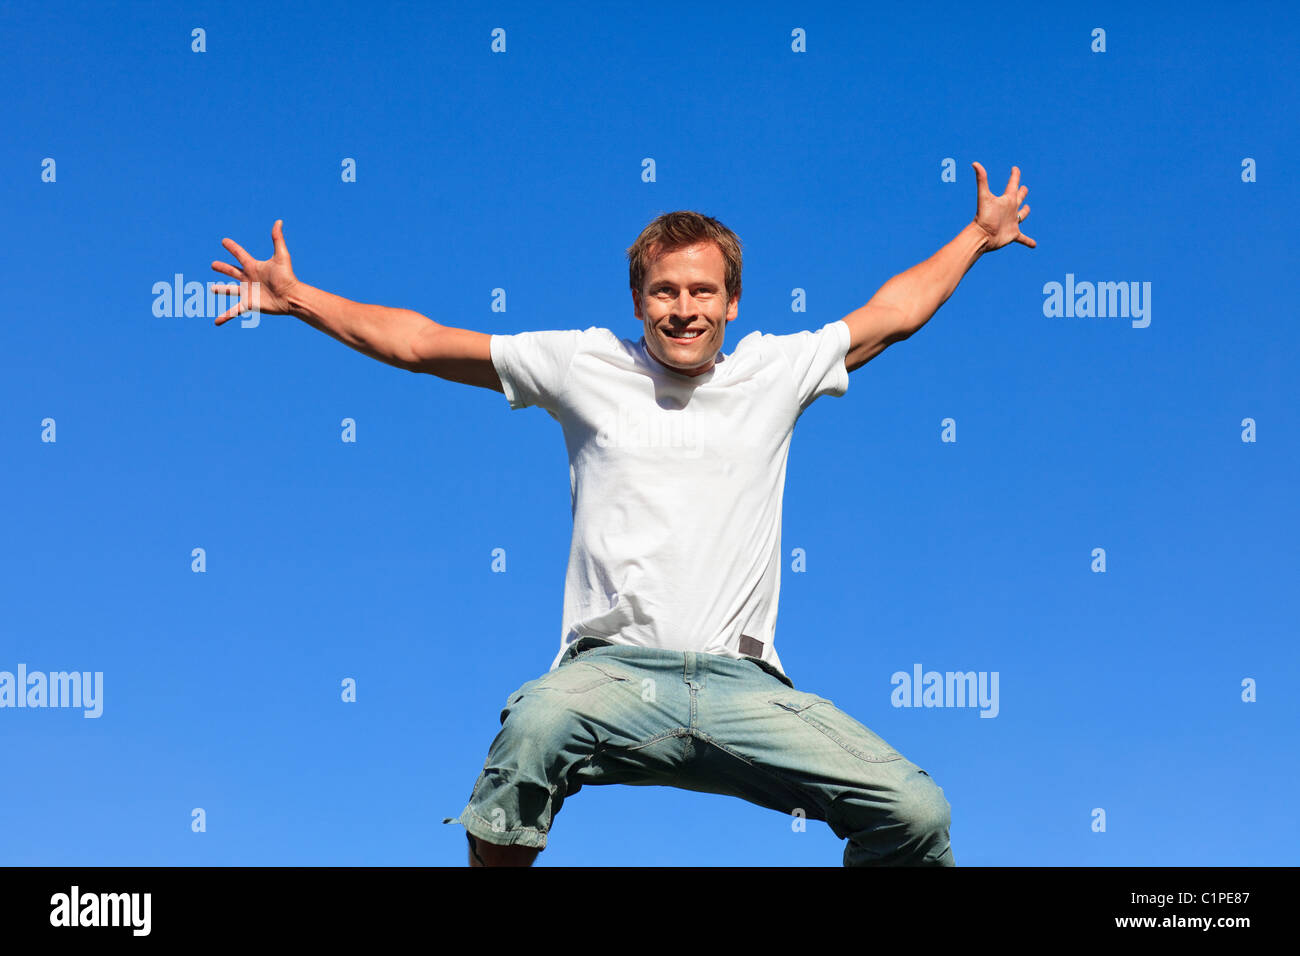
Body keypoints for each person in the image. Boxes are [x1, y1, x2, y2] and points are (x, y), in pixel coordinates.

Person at [210, 162, 1034, 867]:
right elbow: (422, 343)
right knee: (530, 732)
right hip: (611, 677)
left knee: (917, 815)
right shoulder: (583, 365)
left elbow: (894, 313)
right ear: (639, 301)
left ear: (733, 301)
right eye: (665, 291)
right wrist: (299, 297)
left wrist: (976, 236)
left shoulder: (776, 372)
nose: (685, 308)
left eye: (703, 291)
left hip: (746, 686)